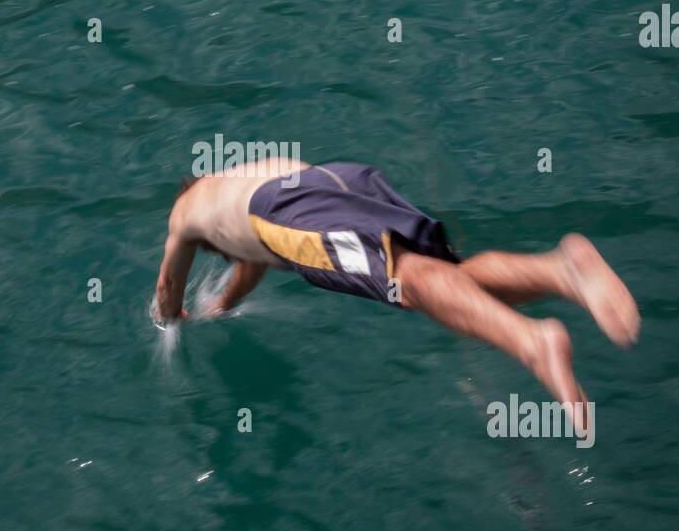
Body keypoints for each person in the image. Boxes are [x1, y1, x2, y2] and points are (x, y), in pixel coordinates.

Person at [153, 156, 639, 427]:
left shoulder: (184, 216)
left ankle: (532, 343)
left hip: (284, 210)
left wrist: (171, 318)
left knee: (405, 281)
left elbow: (168, 285)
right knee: (449, 279)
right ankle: (561, 271)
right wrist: (222, 305)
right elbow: (252, 261)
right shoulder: (229, 186)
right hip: (337, 177)